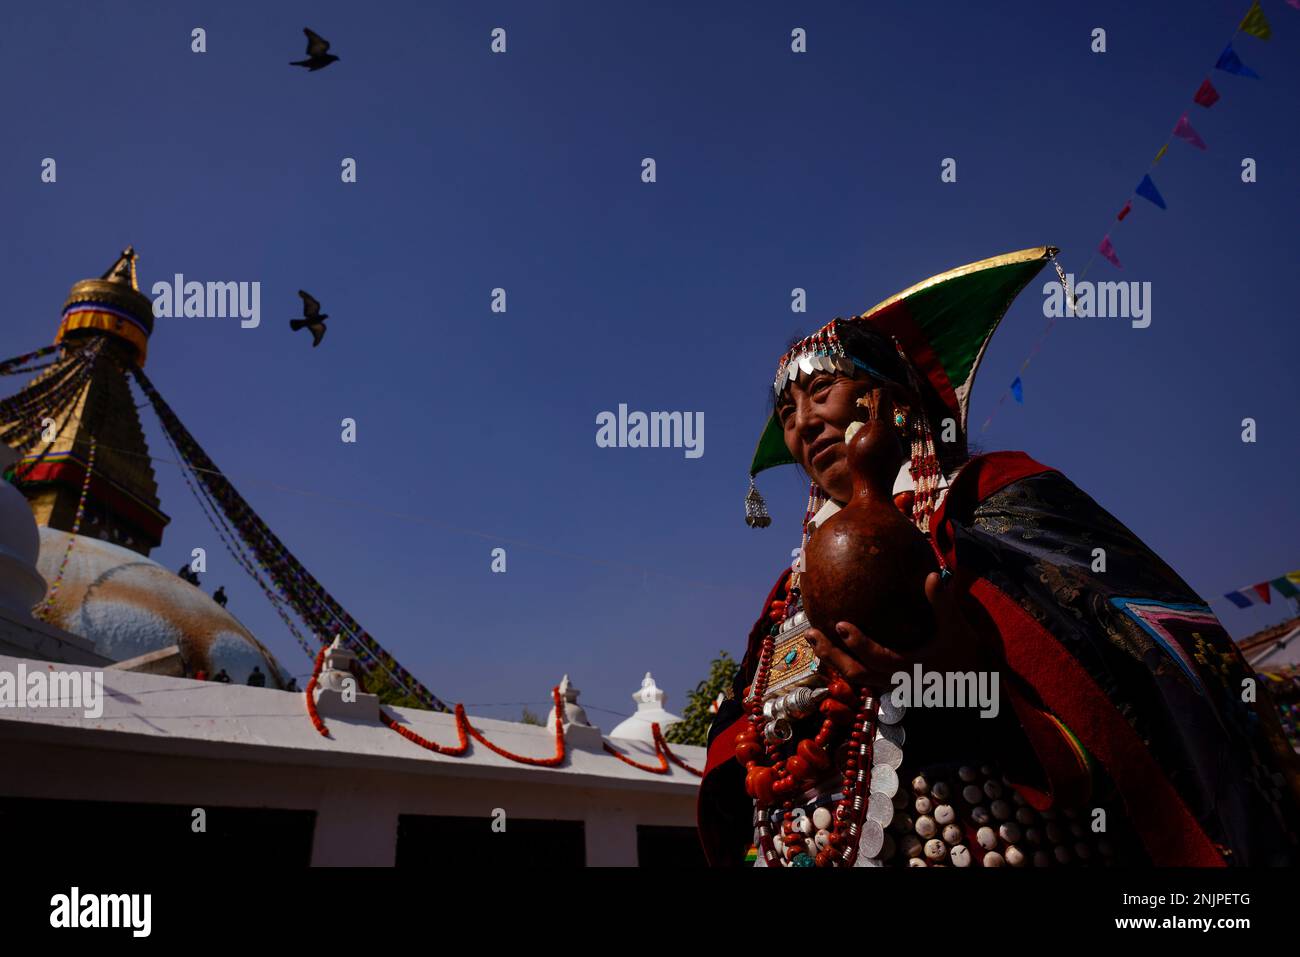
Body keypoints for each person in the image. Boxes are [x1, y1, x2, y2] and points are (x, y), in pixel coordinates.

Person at [700, 246, 1300, 868]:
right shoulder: (786, 592)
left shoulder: (995, 501)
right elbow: (743, 755)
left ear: (891, 399)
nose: (804, 423)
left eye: (821, 390)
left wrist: (961, 681)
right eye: (787, 413)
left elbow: (1127, 692)